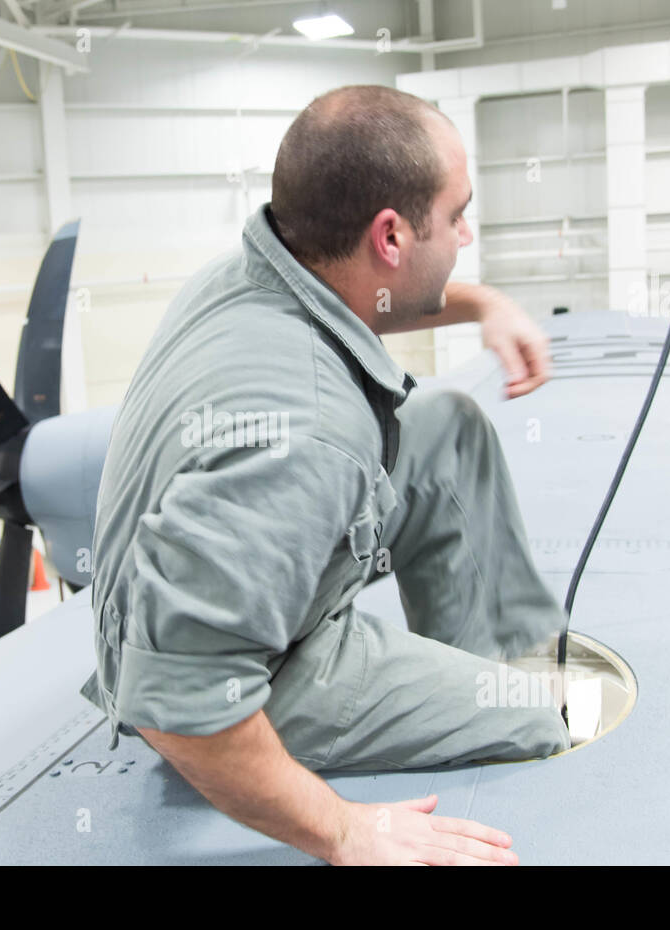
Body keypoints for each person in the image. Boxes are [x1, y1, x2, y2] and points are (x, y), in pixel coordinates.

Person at [79, 84, 568, 866]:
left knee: (447, 429)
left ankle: (477, 655)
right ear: (391, 236)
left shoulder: (258, 268)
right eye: (456, 215)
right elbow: (177, 702)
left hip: (191, 586)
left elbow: (363, 297)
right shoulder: (308, 432)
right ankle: (488, 697)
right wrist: (347, 831)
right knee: (530, 714)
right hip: (225, 679)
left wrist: (483, 305)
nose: (467, 234)